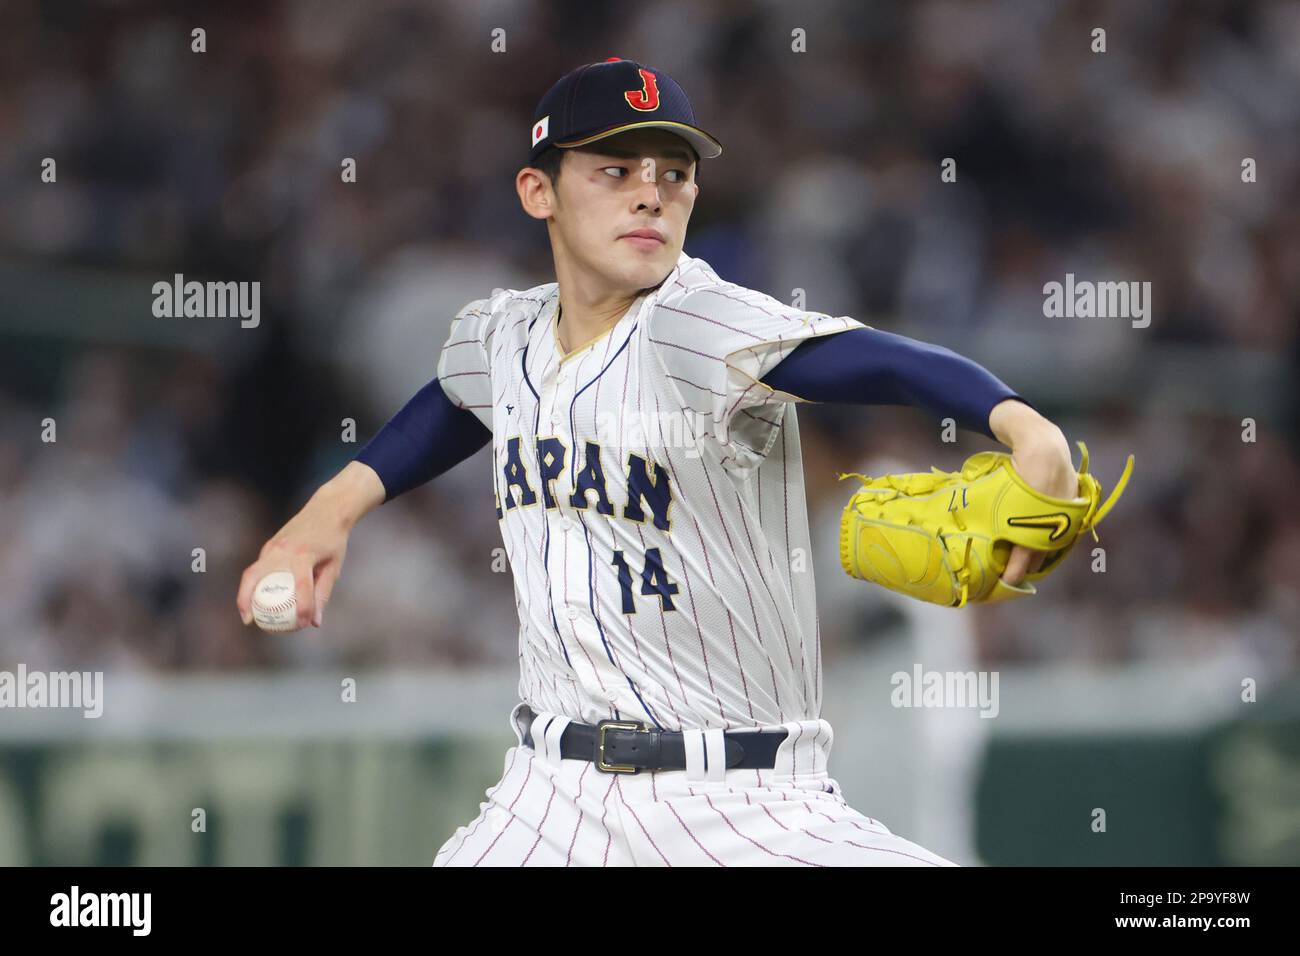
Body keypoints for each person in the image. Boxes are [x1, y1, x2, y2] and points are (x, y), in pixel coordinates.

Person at [236, 58, 1078, 866]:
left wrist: (1017, 422)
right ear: (539, 191)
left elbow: (877, 361)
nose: (651, 190)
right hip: (550, 798)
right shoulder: (504, 335)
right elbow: (456, 402)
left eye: (673, 172)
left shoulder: (699, 324)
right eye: (613, 168)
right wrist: (330, 511)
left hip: (749, 805)